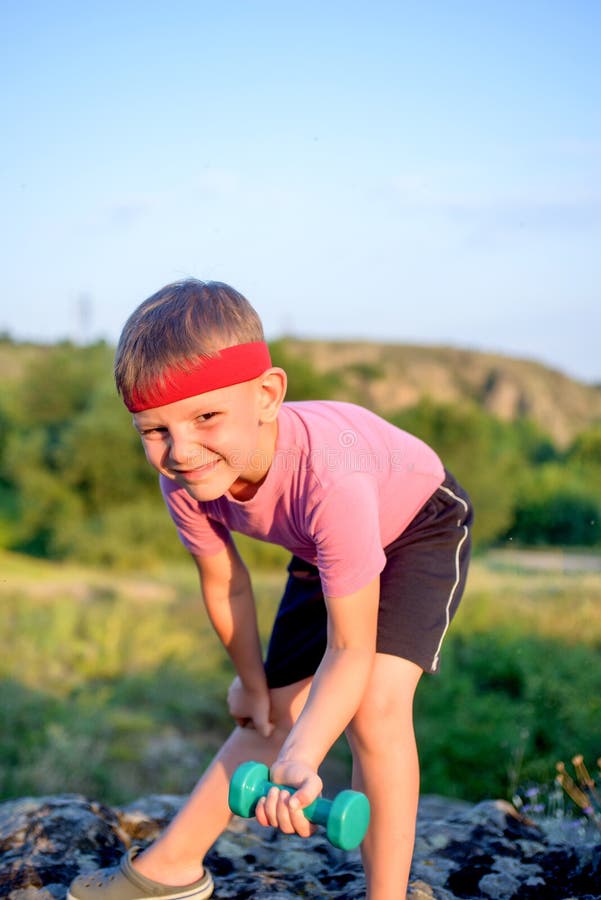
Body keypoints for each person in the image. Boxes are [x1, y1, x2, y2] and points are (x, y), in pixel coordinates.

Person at [68, 279, 473, 900]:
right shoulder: (185, 479)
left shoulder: (327, 481)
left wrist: (301, 757)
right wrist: (254, 683)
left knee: (376, 708)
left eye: (206, 417)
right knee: (269, 714)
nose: (182, 450)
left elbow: (350, 650)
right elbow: (224, 583)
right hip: (326, 550)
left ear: (266, 394)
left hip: (417, 525)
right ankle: (171, 871)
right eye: (154, 430)